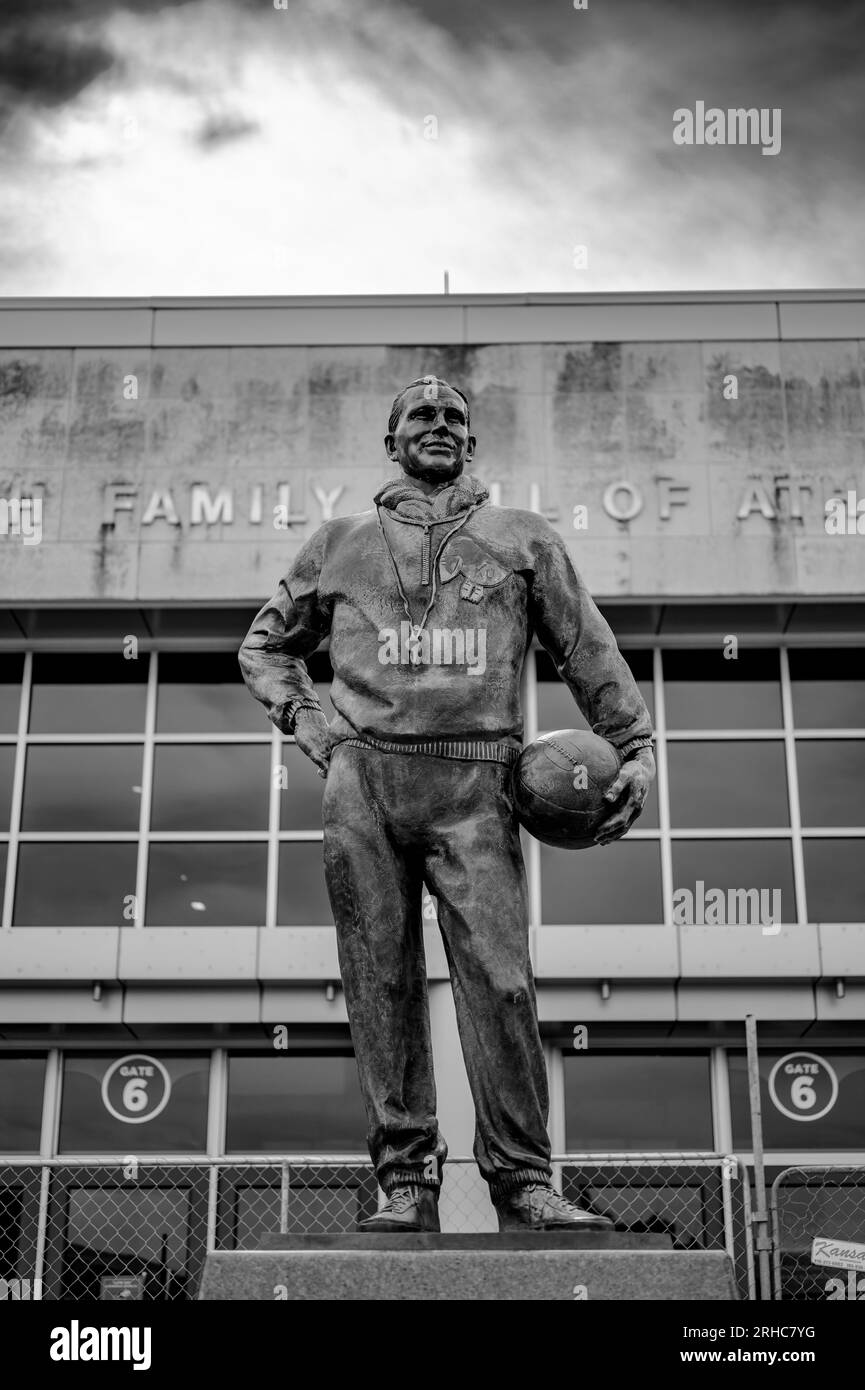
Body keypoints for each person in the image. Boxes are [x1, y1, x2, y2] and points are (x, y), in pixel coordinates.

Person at [239, 376, 656, 1232]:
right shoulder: (338, 543)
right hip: (366, 785)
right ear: (390, 443)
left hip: (477, 783)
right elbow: (263, 648)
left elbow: (587, 646)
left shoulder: (520, 538)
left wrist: (636, 745)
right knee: (379, 986)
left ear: (471, 444)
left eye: (454, 419)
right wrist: (311, 724)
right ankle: (404, 1180)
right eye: (420, 417)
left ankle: (524, 1180)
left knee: (501, 984)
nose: (439, 426)